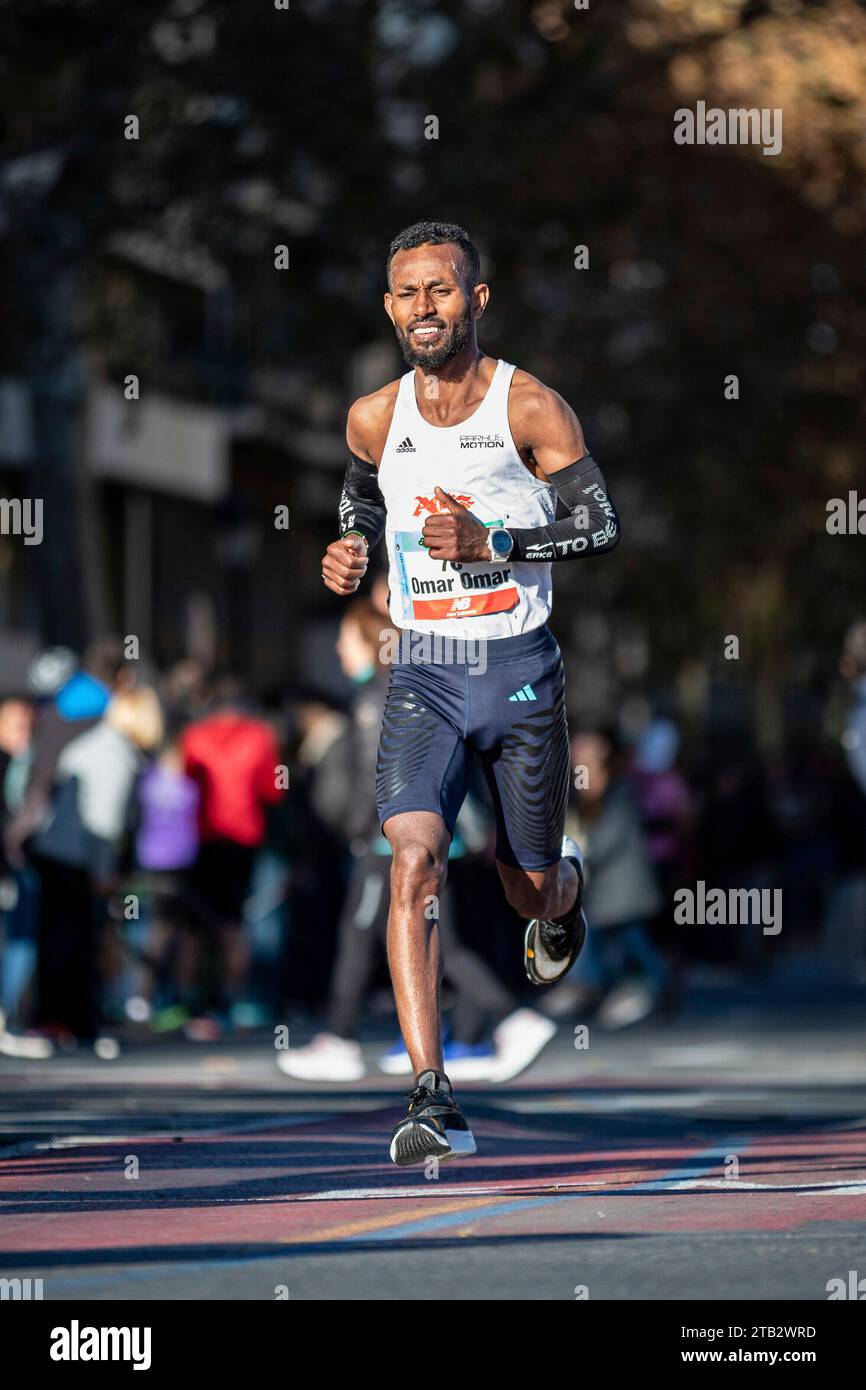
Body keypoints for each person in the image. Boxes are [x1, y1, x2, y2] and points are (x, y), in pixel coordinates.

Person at [321, 220, 621, 1165]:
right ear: (388, 306)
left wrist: (499, 544)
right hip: (422, 672)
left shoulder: (529, 407)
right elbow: (359, 496)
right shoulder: (374, 414)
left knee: (526, 890)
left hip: (520, 669)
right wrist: (353, 548)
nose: (424, 309)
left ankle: (563, 897)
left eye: (441, 290)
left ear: (476, 300)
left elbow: (600, 523)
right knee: (413, 862)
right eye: (408, 293)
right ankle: (431, 1091)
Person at [180, 678, 285, 1037]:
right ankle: (235, 998)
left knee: (194, 924)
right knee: (234, 923)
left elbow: (184, 782)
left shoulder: (194, 735)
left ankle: (189, 997)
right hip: (243, 839)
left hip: (201, 838)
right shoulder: (259, 736)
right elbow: (273, 790)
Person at [566, 729, 668, 1028]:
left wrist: (583, 849)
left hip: (623, 882)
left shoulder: (618, 787)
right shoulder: (579, 786)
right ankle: (604, 990)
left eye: (585, 747)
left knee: (630, 939)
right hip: (601, 884)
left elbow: (613, 832)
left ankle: (658, 986)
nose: (577, 752)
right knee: (609, 938)